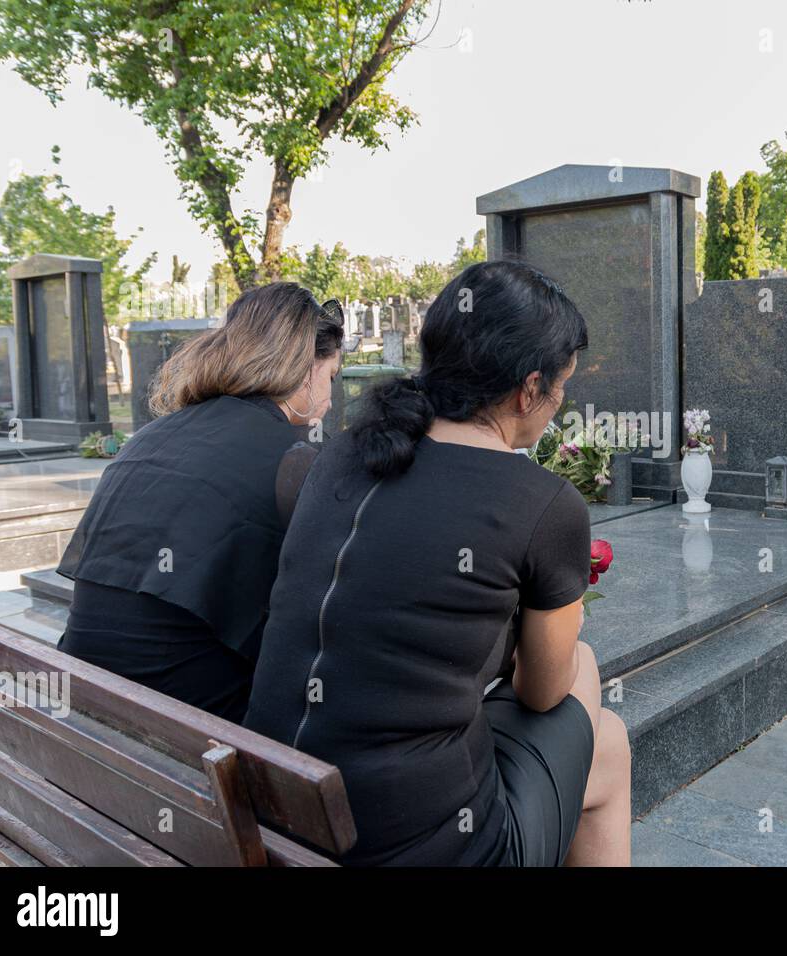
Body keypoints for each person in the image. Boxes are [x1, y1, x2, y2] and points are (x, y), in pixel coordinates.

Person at [244, 260, 632, 866]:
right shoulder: (542, 502)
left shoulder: (339, 455)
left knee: (600, 737)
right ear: (530, 389)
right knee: (591, 698)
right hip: (421, 844)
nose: (558, 403)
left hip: (277, 814)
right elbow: (541, 692)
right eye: (562, 386)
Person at [56, 283, 344, 722]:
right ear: (305, 368)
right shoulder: (293, 457)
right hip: (191, 736)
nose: (328, 397)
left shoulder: (153, 435)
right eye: (331, 376)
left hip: (89, 714)